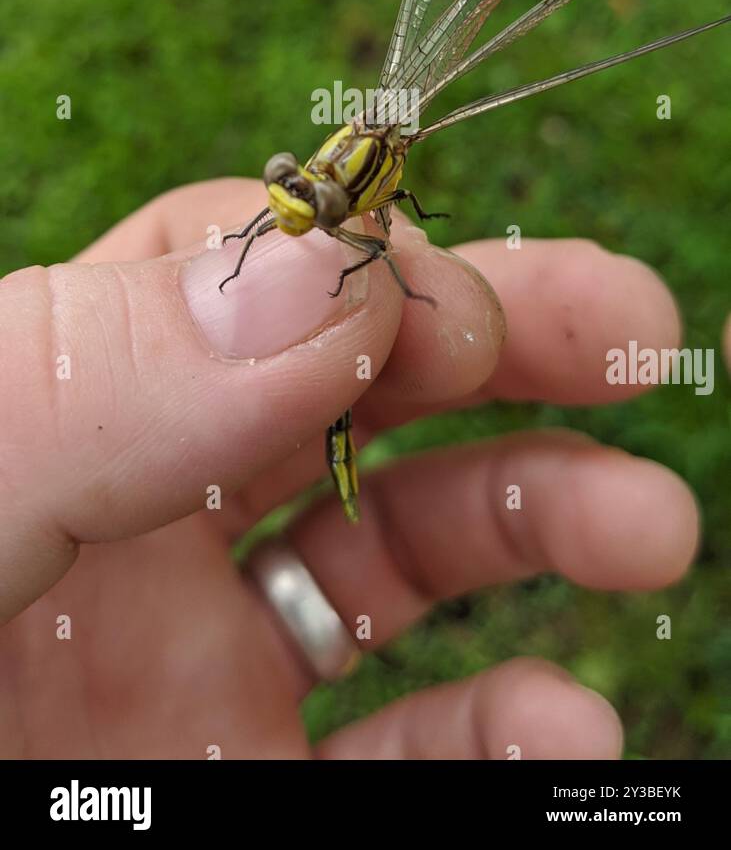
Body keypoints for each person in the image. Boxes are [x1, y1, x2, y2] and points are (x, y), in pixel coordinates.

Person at [0, 178, 700, 759]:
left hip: (345, 371)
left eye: (311, 207)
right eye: (288, 190)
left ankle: (348, 467)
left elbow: (384, 252)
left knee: (392, 265)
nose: (289, 212)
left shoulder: (360, 217)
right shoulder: (314, 201)